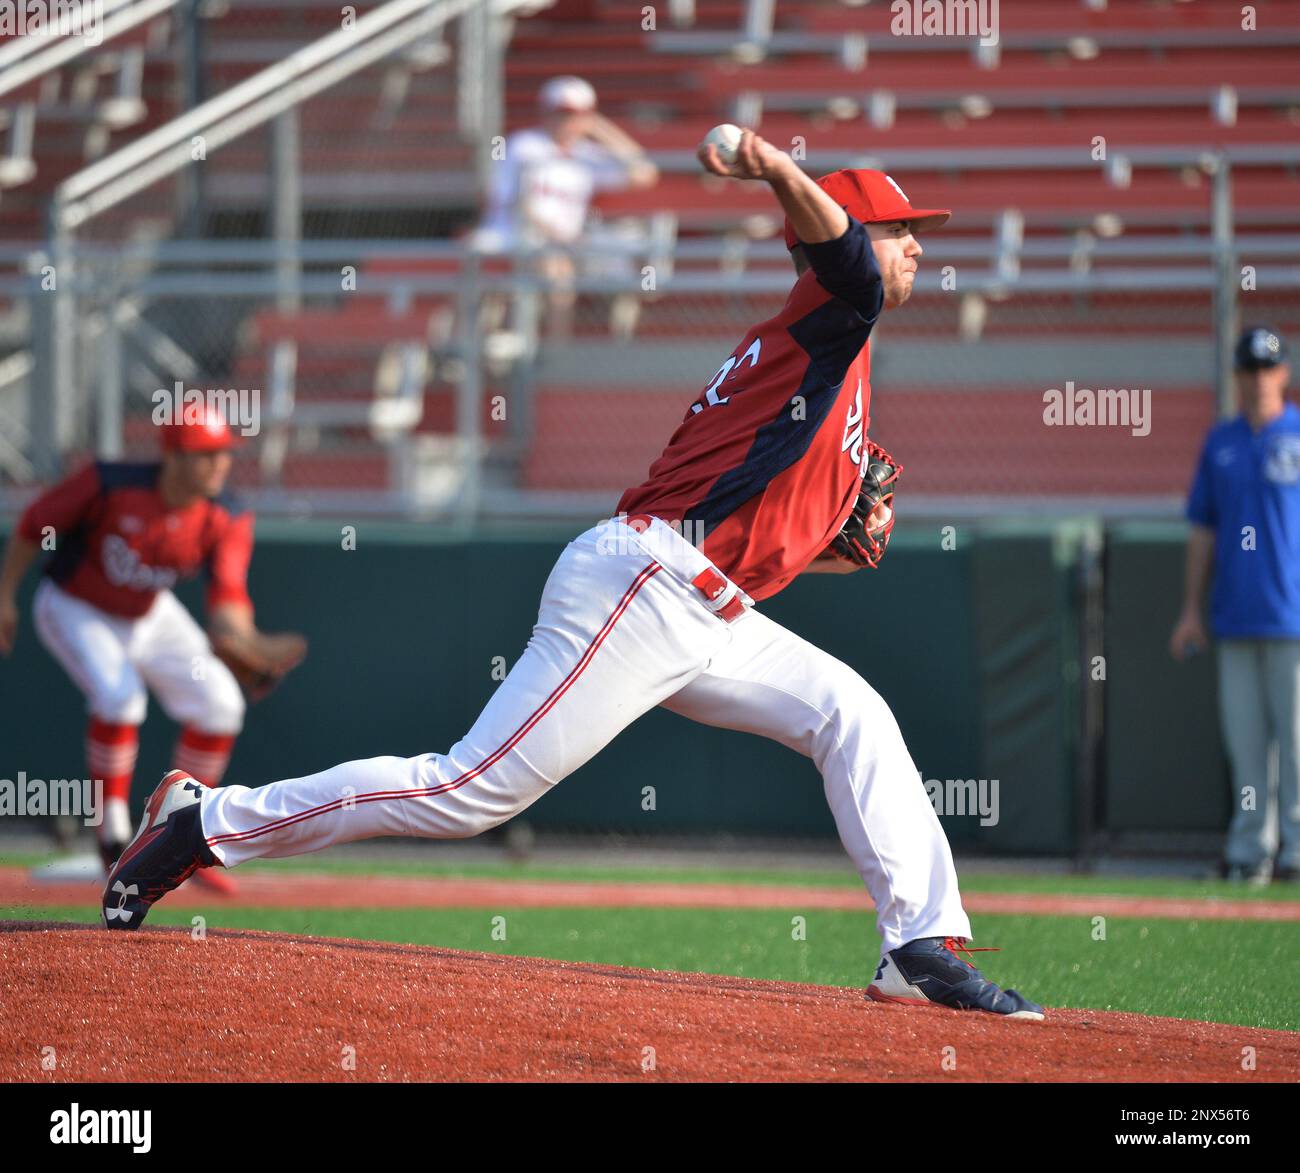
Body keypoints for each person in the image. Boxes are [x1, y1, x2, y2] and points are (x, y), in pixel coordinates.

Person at [100, 131, 1045, 1021]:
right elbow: (836, 253)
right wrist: (770, 164)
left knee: (854, 712)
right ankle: (206, 819)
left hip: (709, 604)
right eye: (899, 231)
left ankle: (918, 946)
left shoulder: (827, 356)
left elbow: (766, 522)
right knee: (465, 791)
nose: (916, 247)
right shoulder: (837, 308)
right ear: (839, 240)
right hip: (646, 585)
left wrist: (833, 534)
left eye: (916, 233)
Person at [0, 412, 305, 891]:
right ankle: (113, 834)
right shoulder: (110, 483)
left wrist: (245, 642)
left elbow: (227, 601)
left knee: (221, 705)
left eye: (226, 452)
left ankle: (181, 837)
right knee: (121, 697)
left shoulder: (225, 513)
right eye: (208, 454)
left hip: (147, 612)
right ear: (172, 457)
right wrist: (4, 593)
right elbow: (36, 522)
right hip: (74, 604)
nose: (221, 464)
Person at [1171, 324, 1300, 885]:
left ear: (1284, 373)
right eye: (1249, 370)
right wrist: (1190, 609)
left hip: (1292, 617)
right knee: (1245, 744)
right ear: (1238, 376)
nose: (1258, 380)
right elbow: (1202, 530)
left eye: (1267, 368)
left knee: (1296, 745)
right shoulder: (1220, 442)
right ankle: (1251, 850)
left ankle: (1295, 851)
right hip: (1235, 615)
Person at [469, 74, 658, 338]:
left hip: (565, 245)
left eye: (577, 115)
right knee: (475, 262)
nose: (568, 121)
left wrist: (598, 127)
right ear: (545, 112)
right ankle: (463, 351)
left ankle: (555, 355)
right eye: (562, 113)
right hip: (511, 235)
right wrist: (551, 233)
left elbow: (644, 172)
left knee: (561, 273)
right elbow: (505, 198)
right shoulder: (523, 145)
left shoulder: (586, 154)